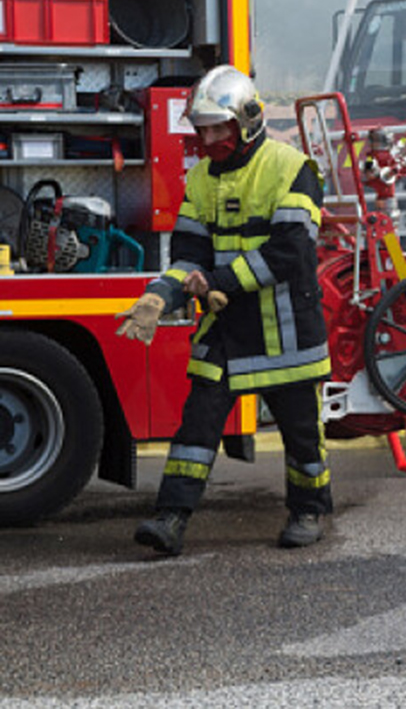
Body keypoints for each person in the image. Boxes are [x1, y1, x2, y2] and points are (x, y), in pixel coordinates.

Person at [116, 65, 332, 555]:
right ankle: (171, 517)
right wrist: (158, 296)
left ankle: (308, 509)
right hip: (227, 328)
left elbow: (291, 253)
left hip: (285, 329)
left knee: (302, 431)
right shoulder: (199, 179)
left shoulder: (291, 167)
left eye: (219, 128)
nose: (209, 138)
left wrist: (218, 281)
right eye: (202, 129)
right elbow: (189, 255)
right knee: (197, 425)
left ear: (247, 121)